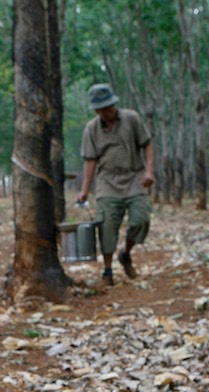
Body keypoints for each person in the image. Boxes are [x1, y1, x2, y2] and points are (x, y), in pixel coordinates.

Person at [77, 83, 154, 286]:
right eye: (102, 109)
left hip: (134, 176)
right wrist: (85, 190)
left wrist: (149, 171)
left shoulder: (132, 119)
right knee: (107, 226)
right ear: (96, 110)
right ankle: (108, 271)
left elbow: (147, 144)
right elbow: (90, 161)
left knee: (141, 219)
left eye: (109, 107)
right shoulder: (91, 129)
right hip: (107, 181)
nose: (107, 112)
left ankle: (126, 253)